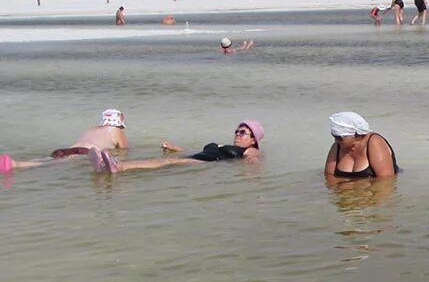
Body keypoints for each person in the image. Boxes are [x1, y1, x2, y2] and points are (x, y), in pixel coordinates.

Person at [88, 120, 263, 173]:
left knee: (166, 162)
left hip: (205, 163)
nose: (237, 134)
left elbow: (254, 156)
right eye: (237, 130)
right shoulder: (221, 144)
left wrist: (253, 163)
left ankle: (118, 166)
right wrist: (174, 147)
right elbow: (194, 151)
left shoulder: (249, 149)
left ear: (253, 139)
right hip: (196, 157)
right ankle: (111, 165)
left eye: (243, 132)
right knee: (168, 159)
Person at [0, 109, 128, 172]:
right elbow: (124, 150)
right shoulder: (116, 130)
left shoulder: (92, 128)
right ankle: (15, 164)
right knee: (43, 165)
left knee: (46, 160)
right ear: (119, 121)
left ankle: (13, 162)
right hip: (84, 152)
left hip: (66, 150)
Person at [324, 111, 399, 178]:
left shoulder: (374, 142)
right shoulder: (338, 145)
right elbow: (329, 177)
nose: (336, 140)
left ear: (355, 134)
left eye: (339, 137)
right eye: (334, 136)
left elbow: (386, 180)